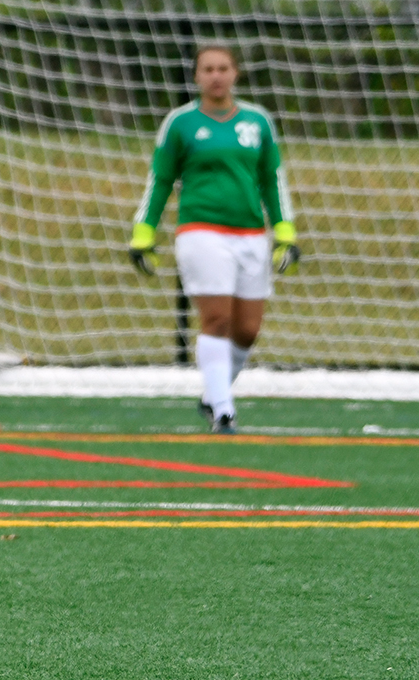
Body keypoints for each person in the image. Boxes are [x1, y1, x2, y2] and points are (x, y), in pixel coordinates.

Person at [128, 44, 299, 434]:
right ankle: (224, 411)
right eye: (208, 69)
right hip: (201, 232)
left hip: (251, 234)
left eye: (223, 68)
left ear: (236, 73)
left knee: (247, 330)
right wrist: (144, 232)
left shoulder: (258, 121)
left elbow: (272, 178)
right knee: (217, 319)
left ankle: (212, 396)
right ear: (196, 76)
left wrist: (284, 231)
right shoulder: (180, 123)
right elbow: (160, 180)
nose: (216, 76)